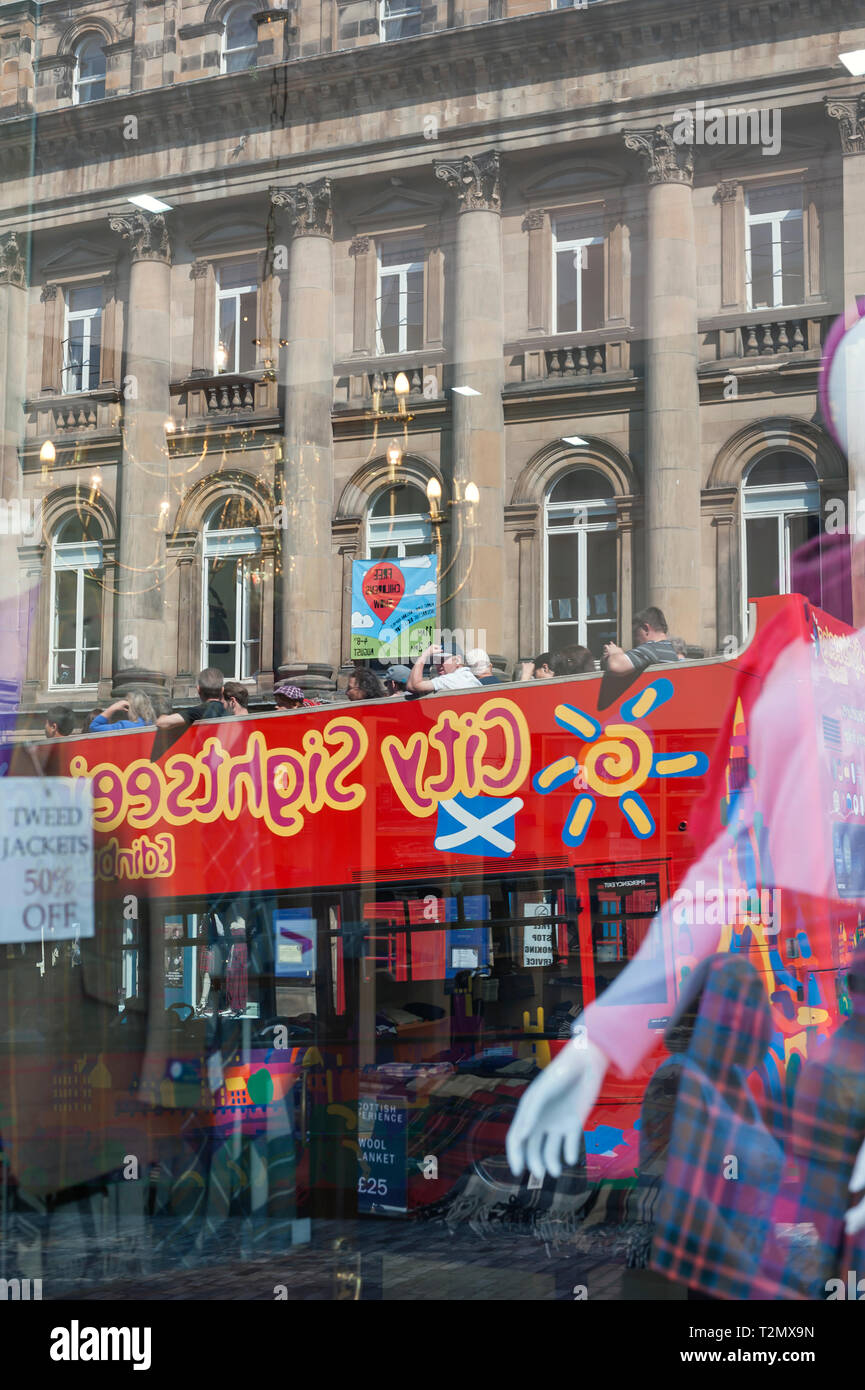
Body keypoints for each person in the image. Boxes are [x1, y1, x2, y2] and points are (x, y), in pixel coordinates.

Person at [602, 607, 680, 674]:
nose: (634, 638)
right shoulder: (669, 649)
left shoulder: (652, 648)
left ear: (646, 628)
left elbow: (615, 665)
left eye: (635, 632)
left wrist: (615, 652)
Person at [156, 667, 226, 730]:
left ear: (198, 690)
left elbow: (161, 723)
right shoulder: (230, 711)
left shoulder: (197, 711)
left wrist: (163, 714)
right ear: (222, 690)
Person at [407, 641, 481, 695]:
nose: (439, 665)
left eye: (443, 660)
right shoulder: (465, 676)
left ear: (458, 660)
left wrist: (423, 655)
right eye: (436, 660)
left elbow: (415, 685)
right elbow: (410, 686)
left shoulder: (454, 678)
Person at [88, 690, 156, 732]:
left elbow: (94, 727)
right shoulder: (154, 725)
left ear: (130, 708)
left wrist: (113, 707)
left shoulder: (124, 726)